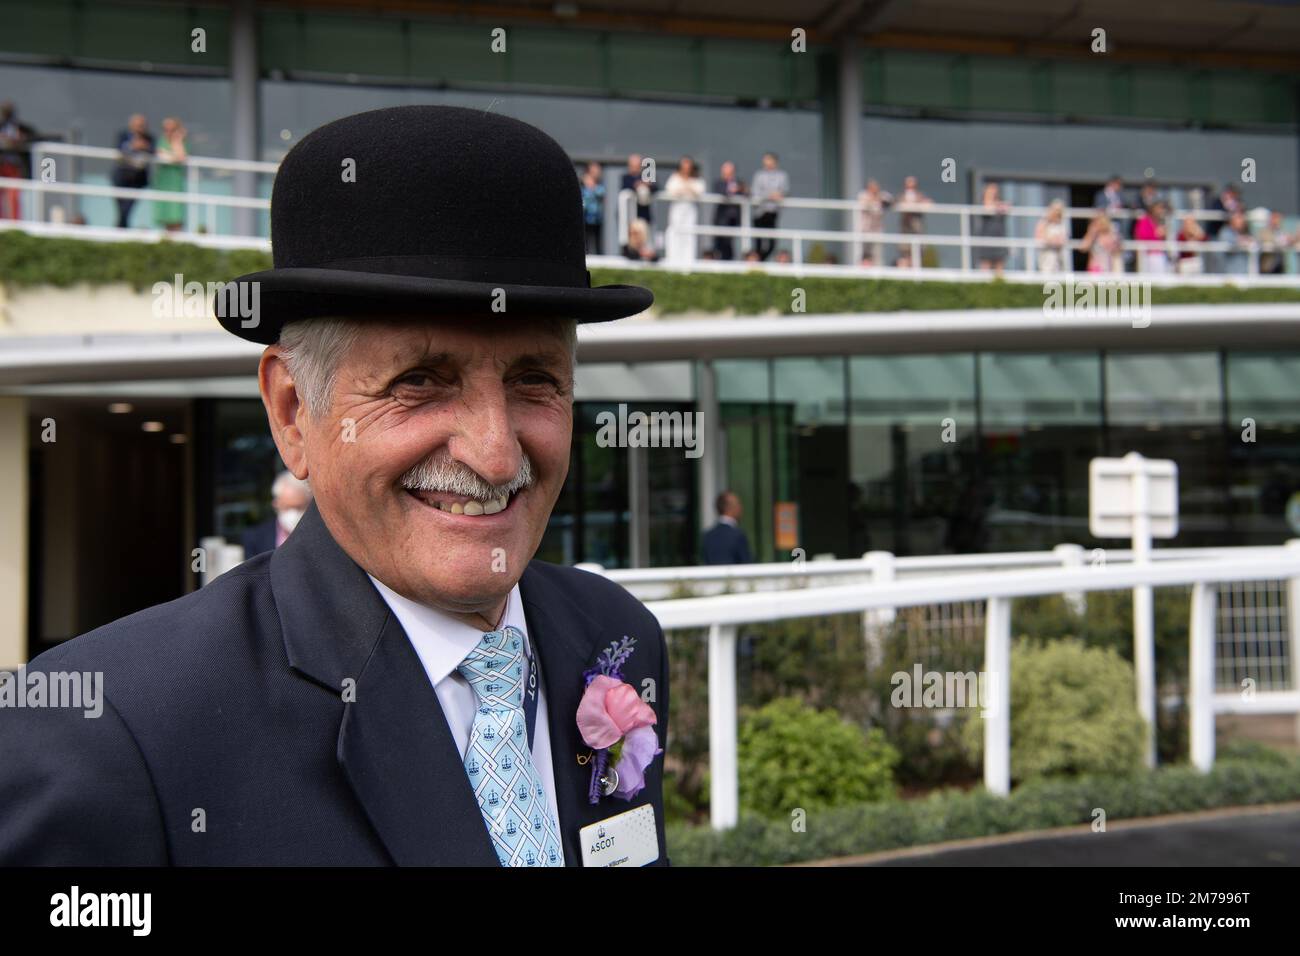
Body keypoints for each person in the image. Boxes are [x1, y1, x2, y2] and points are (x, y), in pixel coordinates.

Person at [0, 106, 670, 867]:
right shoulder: (112, 733)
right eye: (420, 382)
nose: (493, 454)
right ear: (292, 413)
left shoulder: (613, 637)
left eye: (536, 379)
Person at [241, 470, 313, 557]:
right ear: (276, 504)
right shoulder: (255, 538)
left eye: (298, 507)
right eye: (287, 507)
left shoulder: (321, 534)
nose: (293, 513)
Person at [111, 113, 154, 229]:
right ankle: (121, 230)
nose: (139, 128)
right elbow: (119, 148)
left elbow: (153, 151)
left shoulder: (149, 139)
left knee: (128, 207)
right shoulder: (123, 135)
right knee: (120, 207)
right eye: (137, 125)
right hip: (121, 177)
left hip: (137, 179)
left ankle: (121, 230)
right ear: (131, 125)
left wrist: (144, 147)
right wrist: (132, 146)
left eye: (141, 125)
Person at [663, 155, 704, 265]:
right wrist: (686, 188)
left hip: (690, 209)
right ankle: (673, 261)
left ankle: (688, 262)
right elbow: (670, 190)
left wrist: (686, 187)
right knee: (675, 232)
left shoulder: (696, 179)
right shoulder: (675, 177)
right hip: (677, 208)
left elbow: (699, 192)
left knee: (689, 234)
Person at [0, 101, 37, 220]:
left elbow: (35, 136)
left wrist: (21, 140)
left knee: (13, 196)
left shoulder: (21, 128)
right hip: (1, 165)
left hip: (14, 167)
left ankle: (14, 223)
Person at [750, 151, 789, 261]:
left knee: (772, 244)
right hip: (760, 213)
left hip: (772, 212)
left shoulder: (782, 176)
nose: (766, 162)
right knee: (758, 242)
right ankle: (757, 263)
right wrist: (770, 195)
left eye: (768, 160)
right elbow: (755, 193)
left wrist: (778, 195)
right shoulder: (759, 175)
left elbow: (784, 191)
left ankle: (760, 261)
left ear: (774, 162)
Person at [152, 117, 188, 232]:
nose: (168, 132)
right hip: (163, 181)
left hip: (175, 182)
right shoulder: (160, 141)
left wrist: (177, 140)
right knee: (165, 214)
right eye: (166, 129)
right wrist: (173, 156)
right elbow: (160, 154)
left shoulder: (181, 142)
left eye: (172, 129)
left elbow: (181, 157)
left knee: (176, 214)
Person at [701, 491, 753, 565]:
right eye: (738, 504)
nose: (741, 508)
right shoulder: (738, 535)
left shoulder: (707, 536)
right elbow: (747, 565)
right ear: (729, 508)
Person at [711, 161, 747, 260]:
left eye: (729, 170)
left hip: (733, 218)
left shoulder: (739, 183)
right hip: (721, 218)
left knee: (729, 242)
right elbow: (721, 193)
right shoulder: (718, 182)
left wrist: (740, 189)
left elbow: (748, 193)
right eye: (725, 170)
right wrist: (730, 191)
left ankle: (729, 261)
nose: (727, 173)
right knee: (719, 243)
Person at [857, 178, 893, 267]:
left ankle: (877, 272)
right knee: (865, 252)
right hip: (865, 229)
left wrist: (878, 199)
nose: (875, 189)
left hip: (877, 230)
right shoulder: (863, 195)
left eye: (876, 187)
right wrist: (876, 200)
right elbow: (865, 203)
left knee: (877, 253)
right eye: (872, 187)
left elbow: (890, 201)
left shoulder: (882, 195)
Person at [974, 182, 1009, 275]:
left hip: (1000, 237)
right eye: (991, 190)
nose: (993, 192)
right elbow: (987, 208)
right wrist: (996, 206)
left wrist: (998, 205)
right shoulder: (981, 203)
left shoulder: (1000, 202)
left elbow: (1006, 208)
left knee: (999, 266)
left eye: (995, 190)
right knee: (985, 265)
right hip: (986, 237)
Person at [1133, 199, 1170, 274]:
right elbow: (1140, 236)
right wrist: (1156, 234)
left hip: (1160, 254)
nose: (1160, 211)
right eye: (1159, 208)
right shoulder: (1144, 221)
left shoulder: (1161, 222)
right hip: (1148, 255)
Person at [620, 152, 656, 225]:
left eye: (637, 165)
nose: (635, 167)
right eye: (633, 165)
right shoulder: (626, 178)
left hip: (644, 215)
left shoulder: (646, 178)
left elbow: (655, 188)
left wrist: (647, 185)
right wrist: (636, 185)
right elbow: (625, 188)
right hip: (629, 216)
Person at [1034, 199, 1068, 273]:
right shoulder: (1043, 222)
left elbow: (1062, 240)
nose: (1057, 212)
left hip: (1058, 258)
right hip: (1046, 257)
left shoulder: (1062, 224)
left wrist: (1053, 240)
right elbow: (1040, 237)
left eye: (1059, 210)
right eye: (1055, 210)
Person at [579, 161, 605, 255]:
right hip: (586, 215)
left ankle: (599, 255)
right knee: (585, 238)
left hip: (596, 216)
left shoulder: (599, 184)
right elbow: (582, 196)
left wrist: (592, 186)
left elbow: (601, 193)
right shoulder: (582, 183)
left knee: (597, 239)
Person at [1257, 210, 1293, 275]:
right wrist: (1281, 241)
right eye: (1275, 218)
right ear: (1271, 219)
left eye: (1279, 218)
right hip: (1268, 266)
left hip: (1280, 266)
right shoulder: (1264, 231)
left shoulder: (1282, 231)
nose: (1277, 220)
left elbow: (1290, 242)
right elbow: (1266, 240)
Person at [1218, 210, 1253, 275]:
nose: (1242, 221)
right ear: (1232, 220)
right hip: (1231, 274)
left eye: (1242, 218)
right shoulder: (1225, 232)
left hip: (1246, 273)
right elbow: (1229, 245)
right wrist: (1242, 241)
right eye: (1238, 218)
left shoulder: (1247, 232)